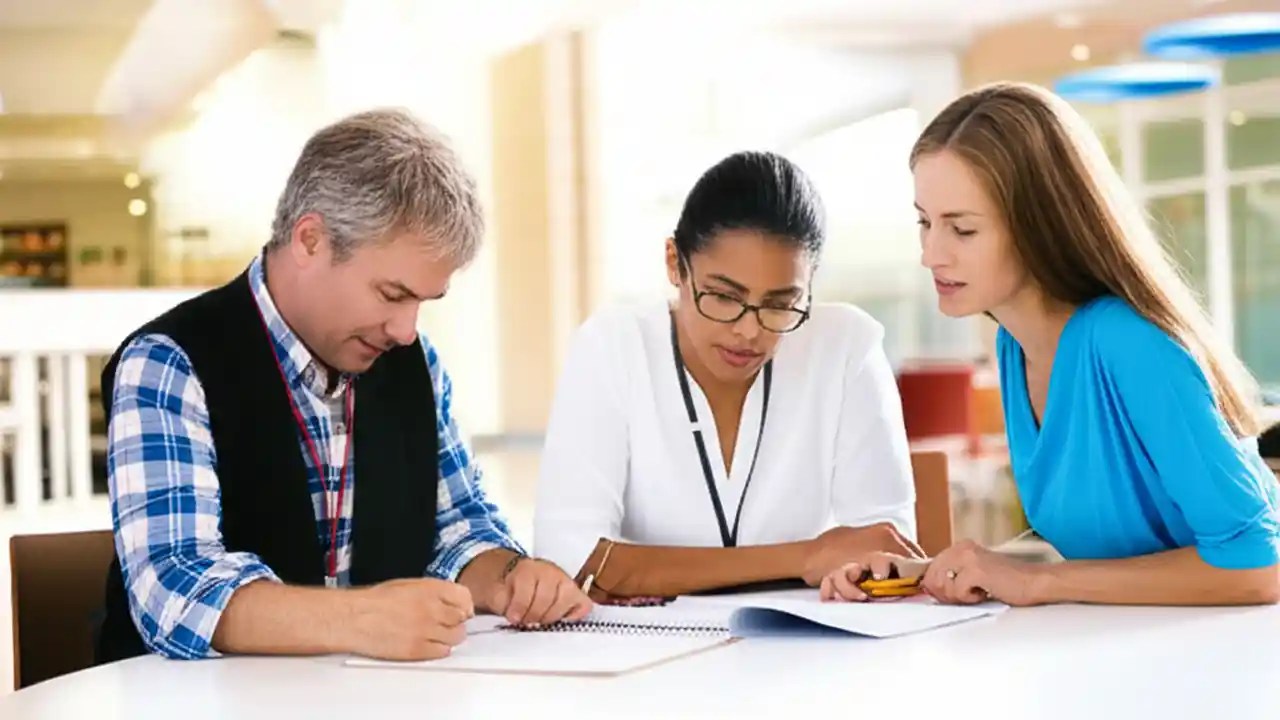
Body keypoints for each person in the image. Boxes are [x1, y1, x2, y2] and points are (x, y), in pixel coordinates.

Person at [97, 109, 590, 664]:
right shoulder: (169, 364)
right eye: (391, 294)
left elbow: (457, 527)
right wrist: (363, 618)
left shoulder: (415, 365)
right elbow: (176, 589)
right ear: (311, 241)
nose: (406, 331)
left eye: (423, 302)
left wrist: (510, 577)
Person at [821, 82, 1280, 607]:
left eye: (962, 230)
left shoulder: (1127, 343)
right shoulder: (1014, 349)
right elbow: (1105, 556)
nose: (931, 254)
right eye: (925, 223)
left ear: (1041, 226)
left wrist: (1037, 582)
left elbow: (1259, 565)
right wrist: (929, 573)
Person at [533, 151, 923, 601]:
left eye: (780, 303)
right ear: (674, 264)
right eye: (722, 296)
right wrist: (807, 557)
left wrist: (852, 568)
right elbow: (574, 562)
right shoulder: (613, 346)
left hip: (805, 654)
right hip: (643, 657)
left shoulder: (847, 347)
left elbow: (884, 551)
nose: (748, 330)